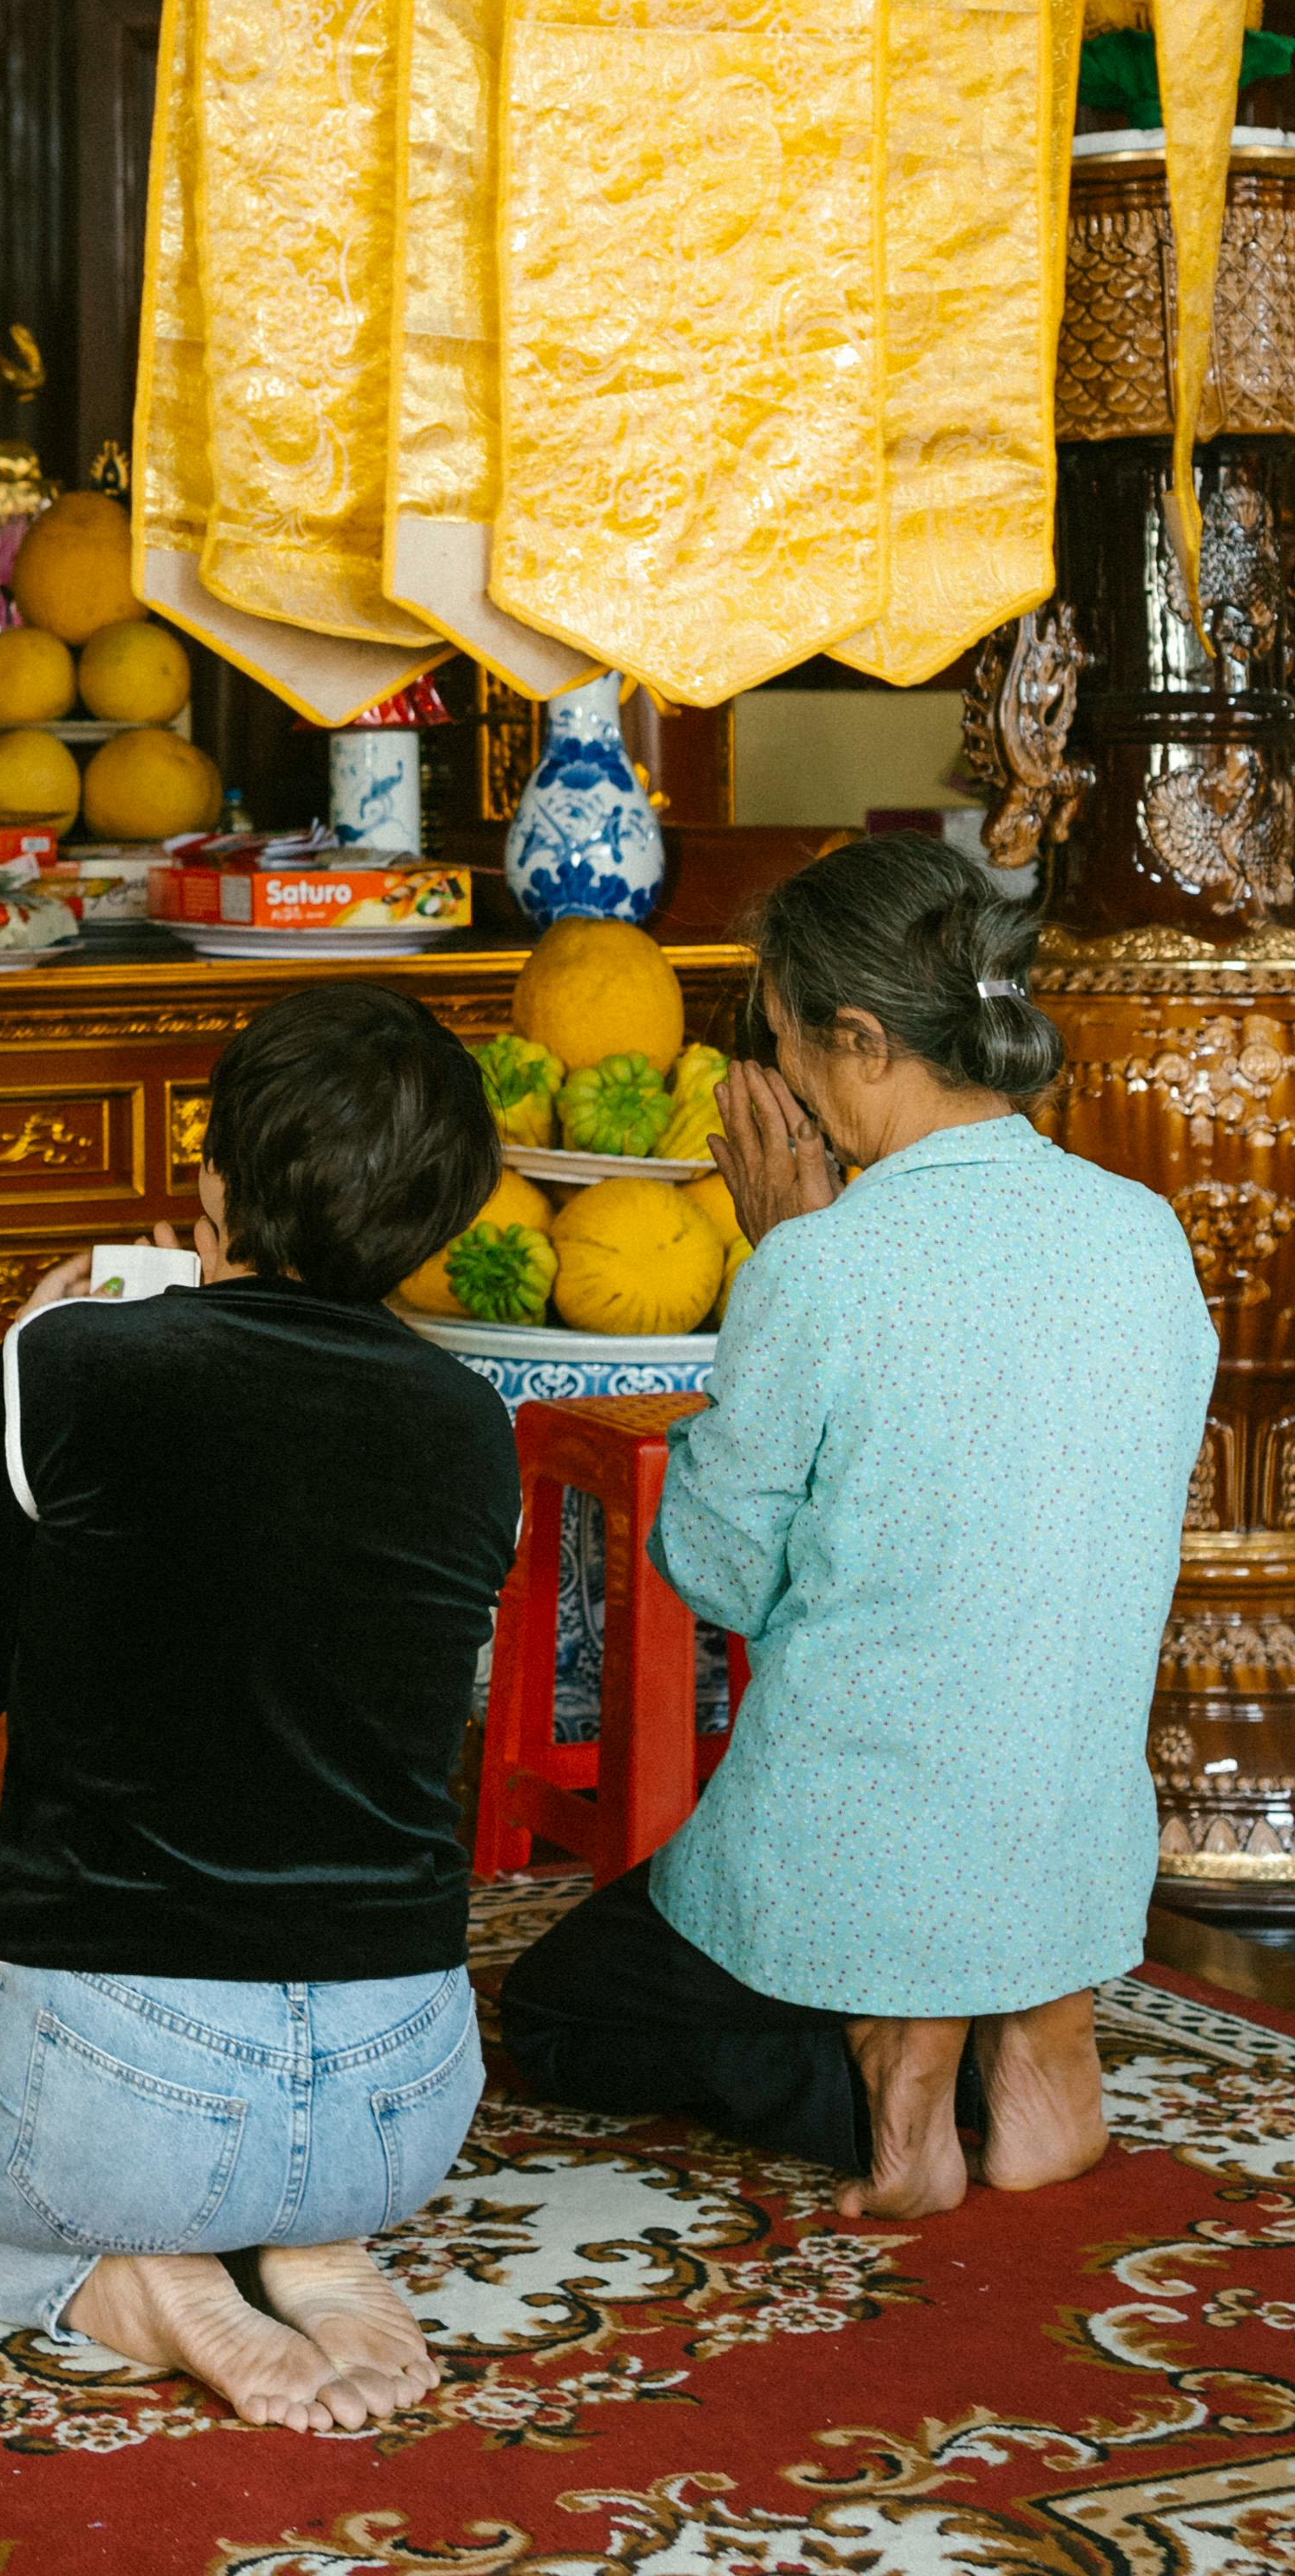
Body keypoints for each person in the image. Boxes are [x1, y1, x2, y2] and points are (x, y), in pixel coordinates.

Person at [0, 983, 522, 2433]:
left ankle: (124, 2290)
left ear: (209, 1186)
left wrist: (11, 1366)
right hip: (413, 2101)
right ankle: (313, 2244)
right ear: (444, 1226)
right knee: (280, 2084)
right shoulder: (476, 1429)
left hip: (128, 2101)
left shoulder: (72, 1365)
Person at [499, 842, 1217, 2224]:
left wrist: (783, 1260)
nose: (782, 1092)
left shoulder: (823, 1267)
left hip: (854, 1855)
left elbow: (714, 1574)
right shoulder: (1144, 1233)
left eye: (783, 1050)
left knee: (558, 2011)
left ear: (865, 1042)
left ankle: (895, 2072)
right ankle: (1037, 2031)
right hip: (1071, 1855)